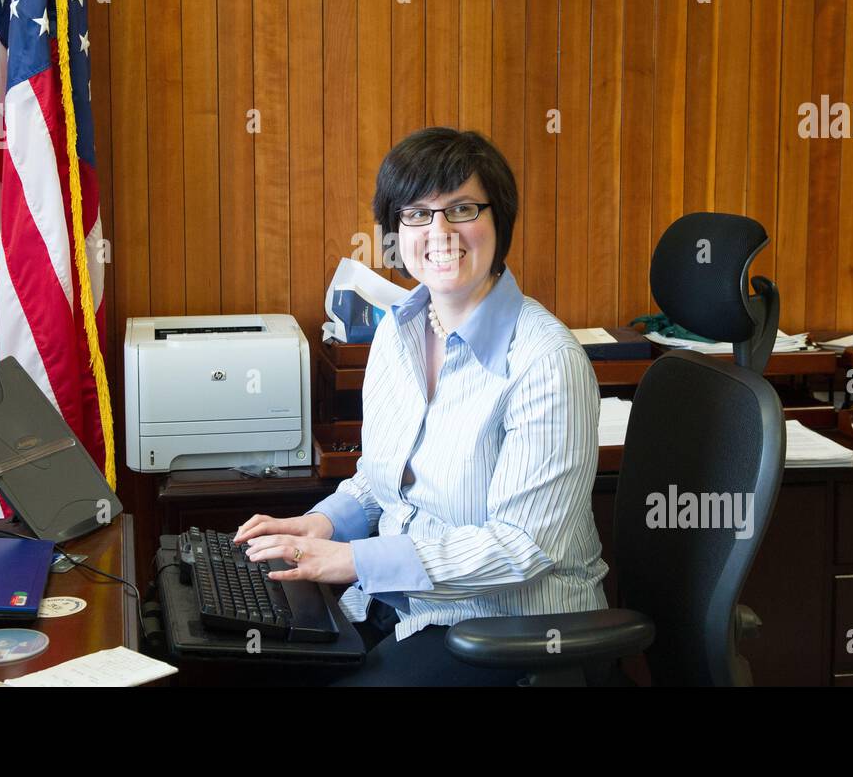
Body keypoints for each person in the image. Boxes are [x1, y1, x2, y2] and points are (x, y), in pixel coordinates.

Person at [234, 127, 608, 685]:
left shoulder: (546, 360)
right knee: (254, 662)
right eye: (417, 214)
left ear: (498, 219)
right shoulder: (397, 332)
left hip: (511, 630)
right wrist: (318, 525)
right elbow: (383, 482)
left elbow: (522, 547)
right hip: (403, 606)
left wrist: (354, 561)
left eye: (462, 209)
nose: (440, 232)